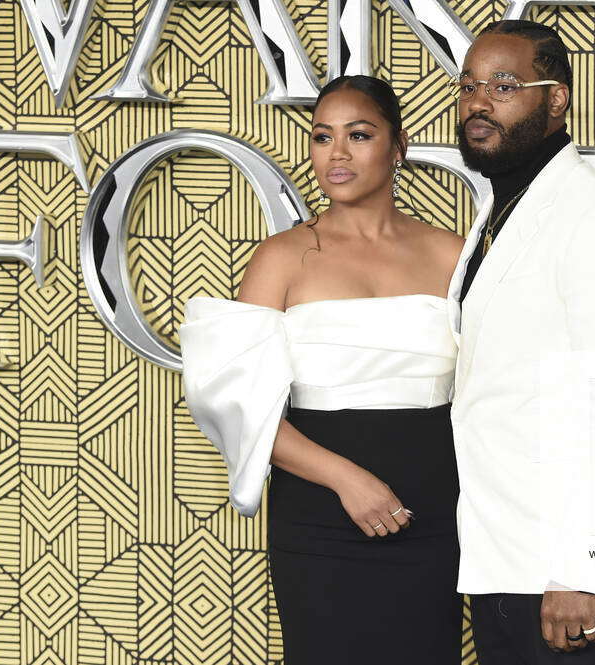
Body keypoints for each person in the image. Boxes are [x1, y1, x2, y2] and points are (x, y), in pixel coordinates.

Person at [178, 74, 465, 665]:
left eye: (358, 135)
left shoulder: (452, 253)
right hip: (319, 519)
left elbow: (493, 390)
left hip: (435, 512)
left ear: (399, 146)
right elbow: (239, 403)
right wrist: (345, 479)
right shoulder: (280, 257)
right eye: (321, 136)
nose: (336, 153)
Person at [446, 20, 595, 664]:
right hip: (507, 558)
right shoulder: (501, 212)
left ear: (557, 98)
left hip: (573, 576)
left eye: (504, 85)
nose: (477, 102)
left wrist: (580, 570)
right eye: (468, 86)